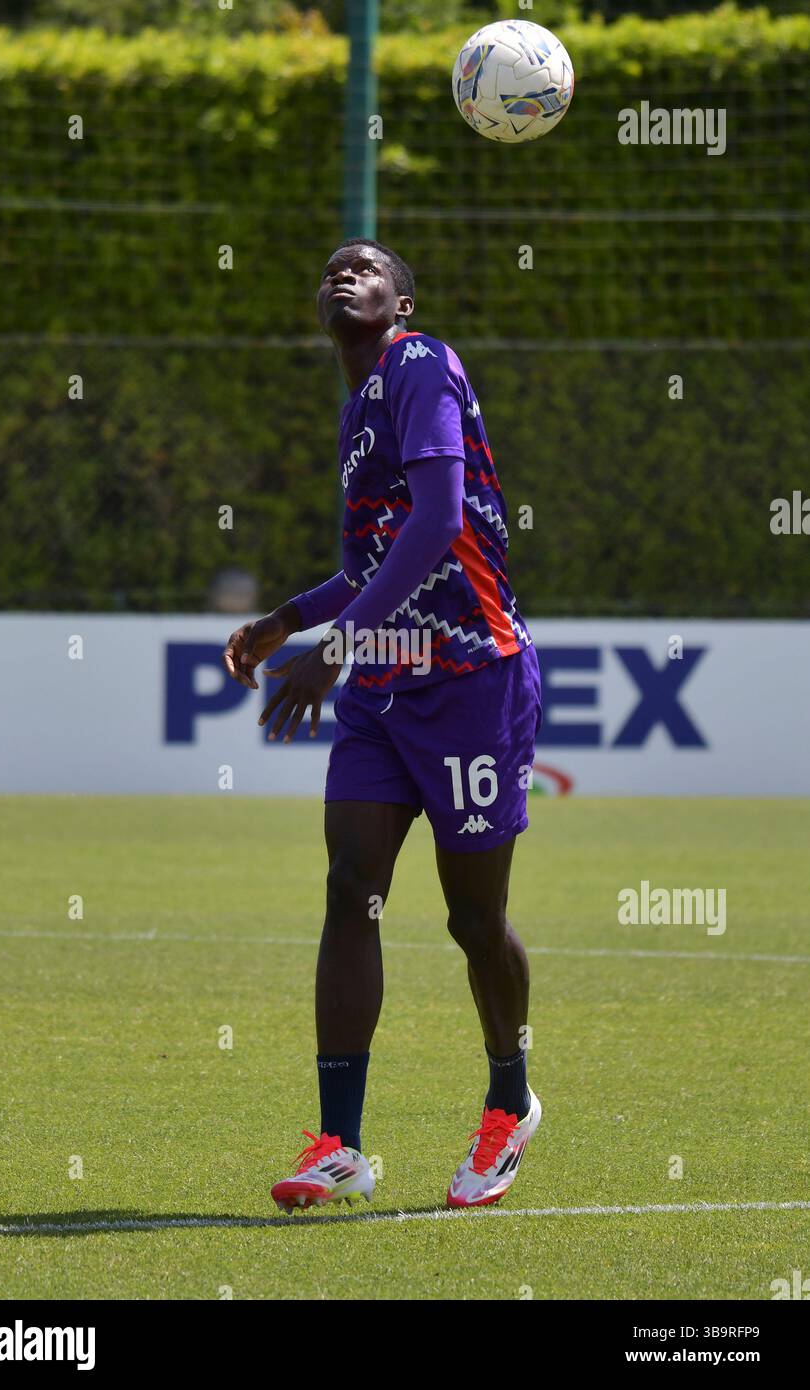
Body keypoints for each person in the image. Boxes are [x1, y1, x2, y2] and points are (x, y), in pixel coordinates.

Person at [223, 239, 542, 1211]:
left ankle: (507, 1099)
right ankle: (338, 1143)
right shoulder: (356, 409)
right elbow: (377, 556)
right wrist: (289, 617)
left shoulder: (418, 364)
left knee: (471, 918)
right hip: (382, 694)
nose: (339, 273)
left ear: (402, 302)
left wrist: (334, 645)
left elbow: (442, 516)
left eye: (365, 267)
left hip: (470, 678)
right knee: (349, 885)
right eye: (326, 267)